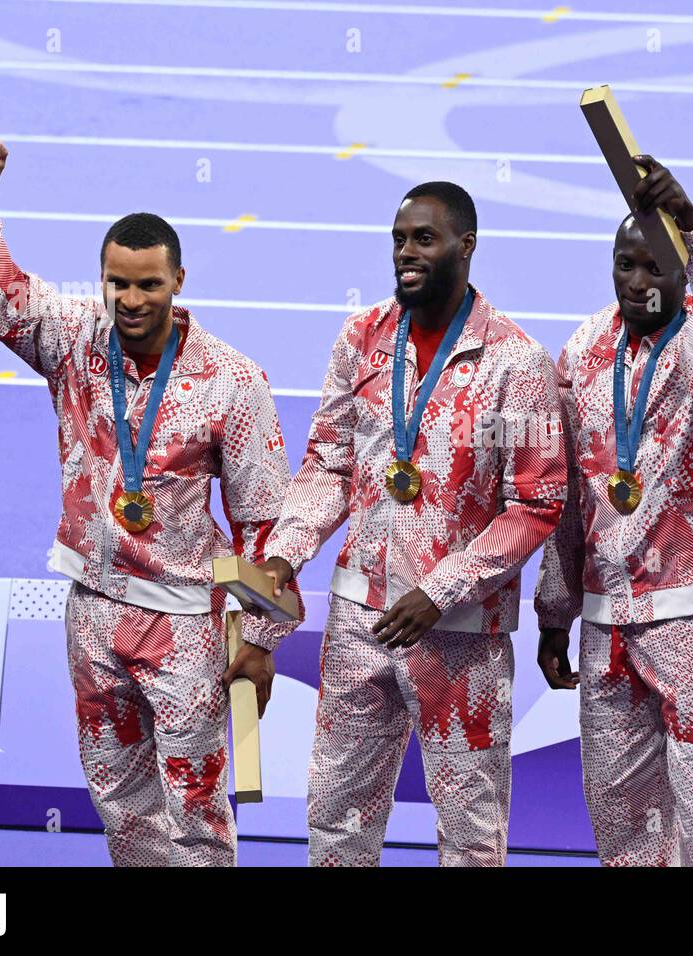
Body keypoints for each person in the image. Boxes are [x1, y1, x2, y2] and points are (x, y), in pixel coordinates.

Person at [0, 111, 300, 867]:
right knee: (120, 805)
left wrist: (262, 640)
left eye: (148, 285)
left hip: (186, 628)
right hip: (92, 612)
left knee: (197, 813)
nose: (131, 301)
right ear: (101, 279)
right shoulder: (74, 341)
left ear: (178, 280)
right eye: (117, 284)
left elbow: (266, 525)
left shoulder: (232, 381)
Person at [258, 182, 566, 866]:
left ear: (467, 246)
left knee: (470, 834)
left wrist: (443, 590)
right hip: (358, 622)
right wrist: (286, 552)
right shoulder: (360, 338)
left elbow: (537, 503)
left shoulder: (519, 363)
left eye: (423, 239)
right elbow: (329, 463)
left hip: (459, 638)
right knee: (336, 816)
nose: (406, 253)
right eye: (399, 239)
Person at [533, 156, 693, 866]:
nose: (638, 282)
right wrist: (556, 612)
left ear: (683, 272)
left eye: (655, 267)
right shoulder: (583, 351)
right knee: (625, 831)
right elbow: (571, 492)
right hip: (608, 622)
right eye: (624, 265)